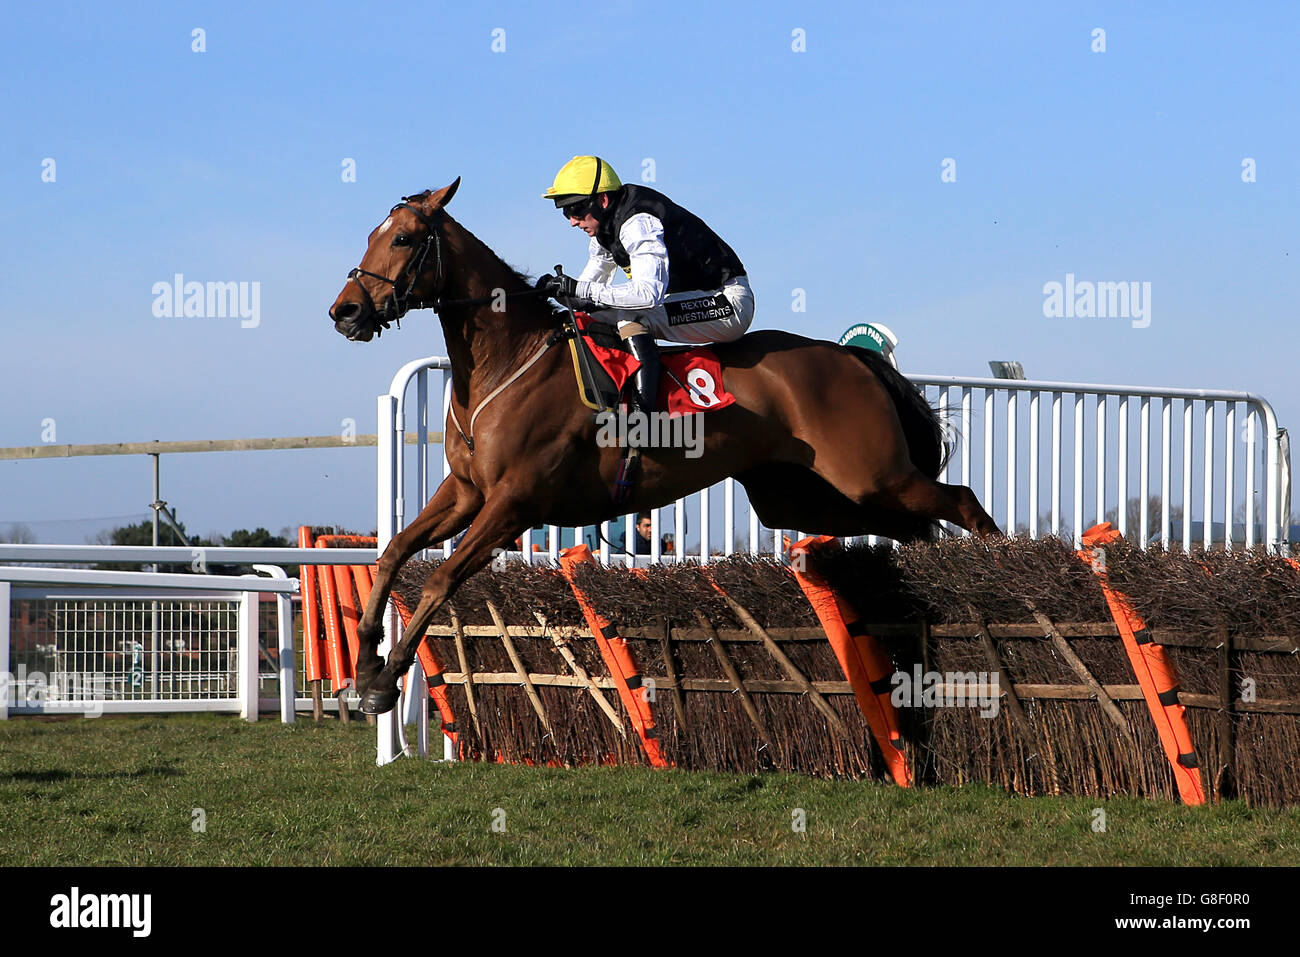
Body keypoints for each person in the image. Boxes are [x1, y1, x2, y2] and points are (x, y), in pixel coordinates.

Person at [536, 155, 754, 419]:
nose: (572, 221)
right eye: (565, 212)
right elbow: (586, 296)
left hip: (726, 302)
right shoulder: (604, 229)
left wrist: (578, 289)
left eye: (576, 210)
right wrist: (558, 293)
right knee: (586, 318)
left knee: (633, 315)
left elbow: (647, 294)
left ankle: (641, 418)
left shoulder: (637, 222)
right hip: (685, 300)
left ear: (602, 200)